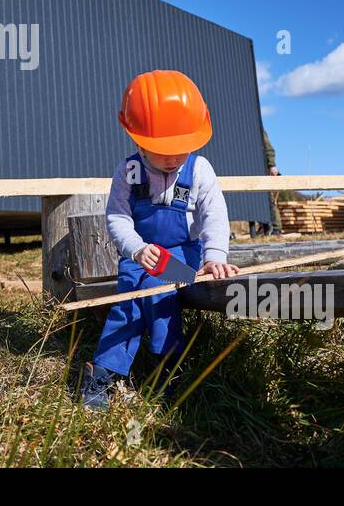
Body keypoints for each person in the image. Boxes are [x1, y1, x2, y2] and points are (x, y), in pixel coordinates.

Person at [82, 70, 239, 409]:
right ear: (137, 139)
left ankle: (167, 370)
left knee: (161, 295)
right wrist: (136, 249)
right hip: (139, 257)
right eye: (163, 149)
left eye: (182, 148)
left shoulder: (199, 170)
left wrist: (215, 256)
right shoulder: (128, 172)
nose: (173, 158)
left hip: (183, 255)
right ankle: (103, 373)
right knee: (128, 303)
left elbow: (214, 215)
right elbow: (118, 217)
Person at [249, 128, 284, 238]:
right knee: (253, 200)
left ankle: (276, 229)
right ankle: (264, 227)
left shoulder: (257, 128)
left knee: (268, 200)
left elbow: (268, 148)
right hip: (251, 168)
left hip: (262, 169)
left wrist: (272, 165)